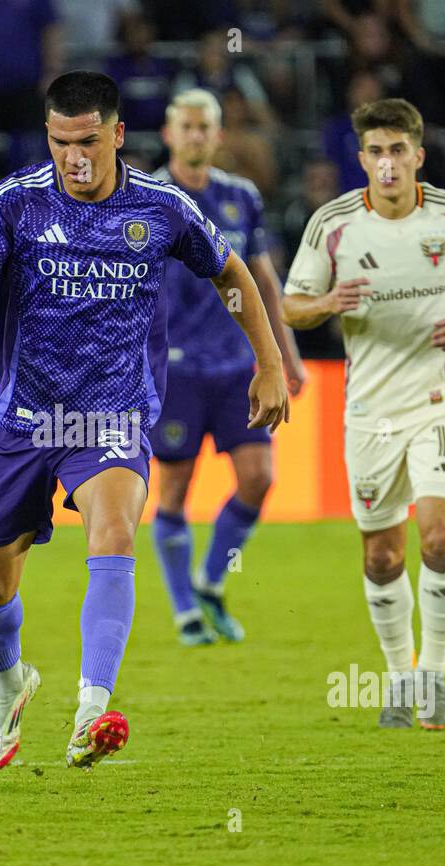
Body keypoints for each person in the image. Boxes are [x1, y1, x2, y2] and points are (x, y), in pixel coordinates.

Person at [0, 71, 288, 771]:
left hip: (111, 413)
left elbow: (233, 273)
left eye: (88, 142)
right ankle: (10, 682)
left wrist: (267, 363)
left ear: (118, 134)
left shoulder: (163, 208)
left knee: (114, 529)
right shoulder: (17, 203)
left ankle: (93, 708)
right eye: (60, 143)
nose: (74, 159)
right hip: (23, 418)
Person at [281, 98, 445, 731]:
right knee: (383, 557)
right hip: (370, 412)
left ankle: (434, 678)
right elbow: (289, 306)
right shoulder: (333, 224)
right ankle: (397, 677)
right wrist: (330, 301)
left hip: (442, 398)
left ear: (419, 155)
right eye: (375, 153)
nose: (387, 165)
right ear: (361, 158)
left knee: (440, 537)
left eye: (397, 151)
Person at [148, 89, 305, 646]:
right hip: (174, 370)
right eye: (185, 126)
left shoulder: (241, 197)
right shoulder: (147, 200)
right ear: (169, 134)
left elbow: (263, 279)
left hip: (239, 365)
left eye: (204, 127)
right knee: (174, 488)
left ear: (218, 136)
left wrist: (286, 355)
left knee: (259, 478)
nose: (195, 135)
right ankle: (186, 610)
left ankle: (211, 580)